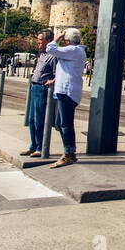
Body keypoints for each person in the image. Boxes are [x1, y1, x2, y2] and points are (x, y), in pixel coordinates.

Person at [43, 28, 86, 167]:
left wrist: (58, 36)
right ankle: (69, 151)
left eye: (65, 39)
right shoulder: (76, 51)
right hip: (65, 90)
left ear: (67, 40)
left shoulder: (73, 50)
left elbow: (49, 48)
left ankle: (69, 154)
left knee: (66, 124)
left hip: (67, 91)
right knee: (59, 123)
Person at [20, 30, 57, 158]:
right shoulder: (42, 55)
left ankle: (41, 147)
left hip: (43, 89)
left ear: (48, 41)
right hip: (34, 87)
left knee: (40, 120)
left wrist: (52, 82)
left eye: (40, 40)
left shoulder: (53, 56)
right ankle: (33, 145)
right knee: (31, 119)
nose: (38, 42)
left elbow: (58, 74)